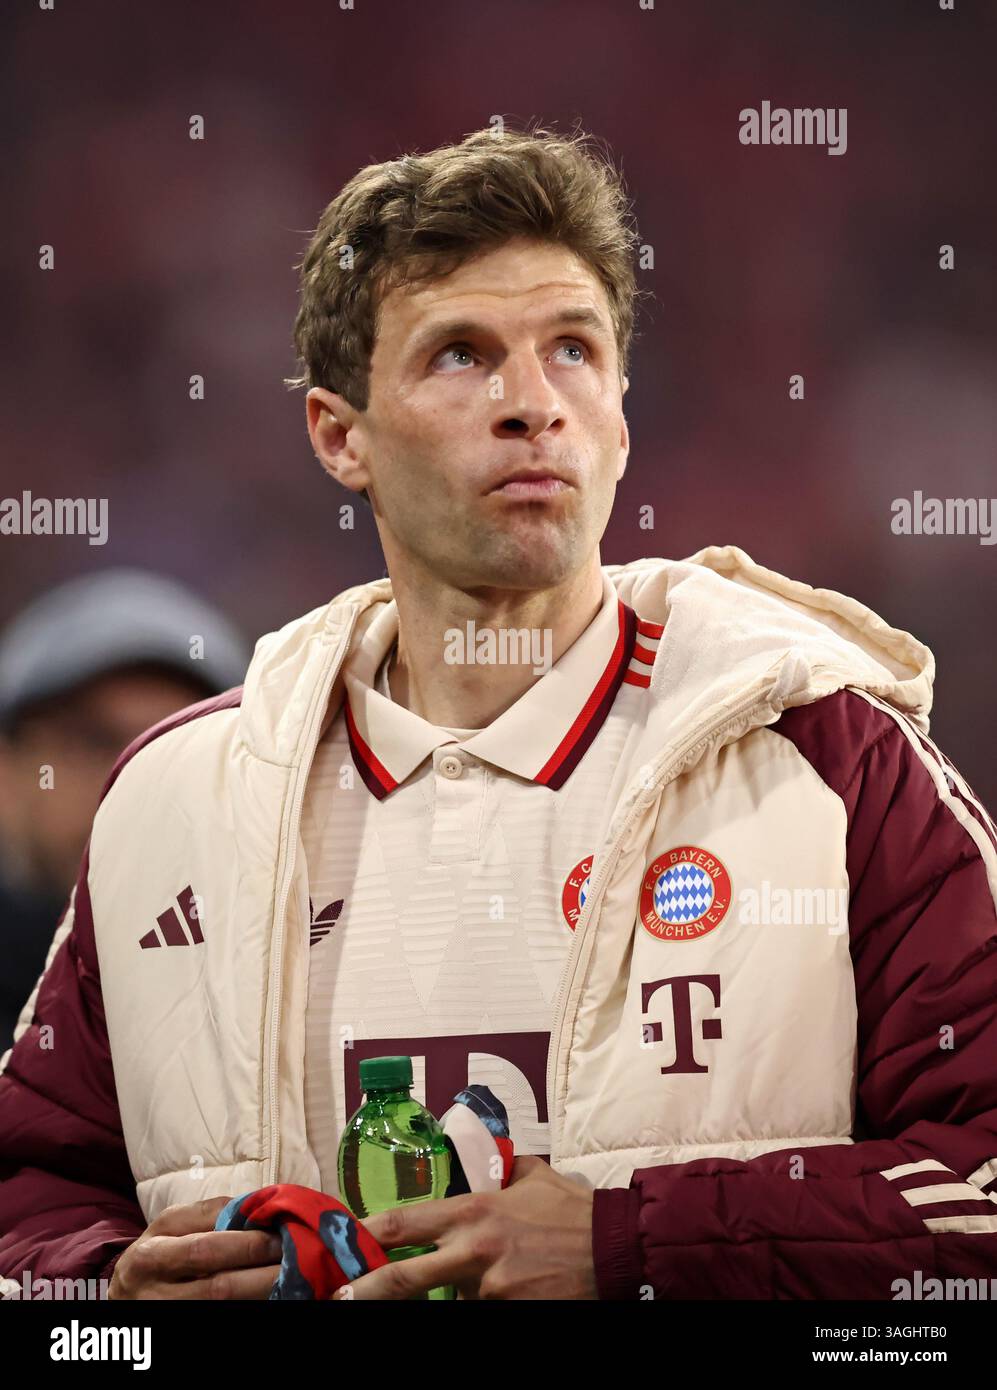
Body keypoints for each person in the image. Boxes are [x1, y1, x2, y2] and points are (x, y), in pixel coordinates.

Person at [1, 124, 995, 1303]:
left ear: (620, 410)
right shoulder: (172, 803)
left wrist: (634, 1248)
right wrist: (106, 1294)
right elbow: (33, 1196)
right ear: (339, 435)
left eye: (572, 349)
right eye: (460, 356)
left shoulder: (829, 755)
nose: (532, 403)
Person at [0, 569, 249, 1053]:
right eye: (92, 740)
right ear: (7, 765)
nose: (129, 780)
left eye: (176, 745)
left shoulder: (282, 1012)